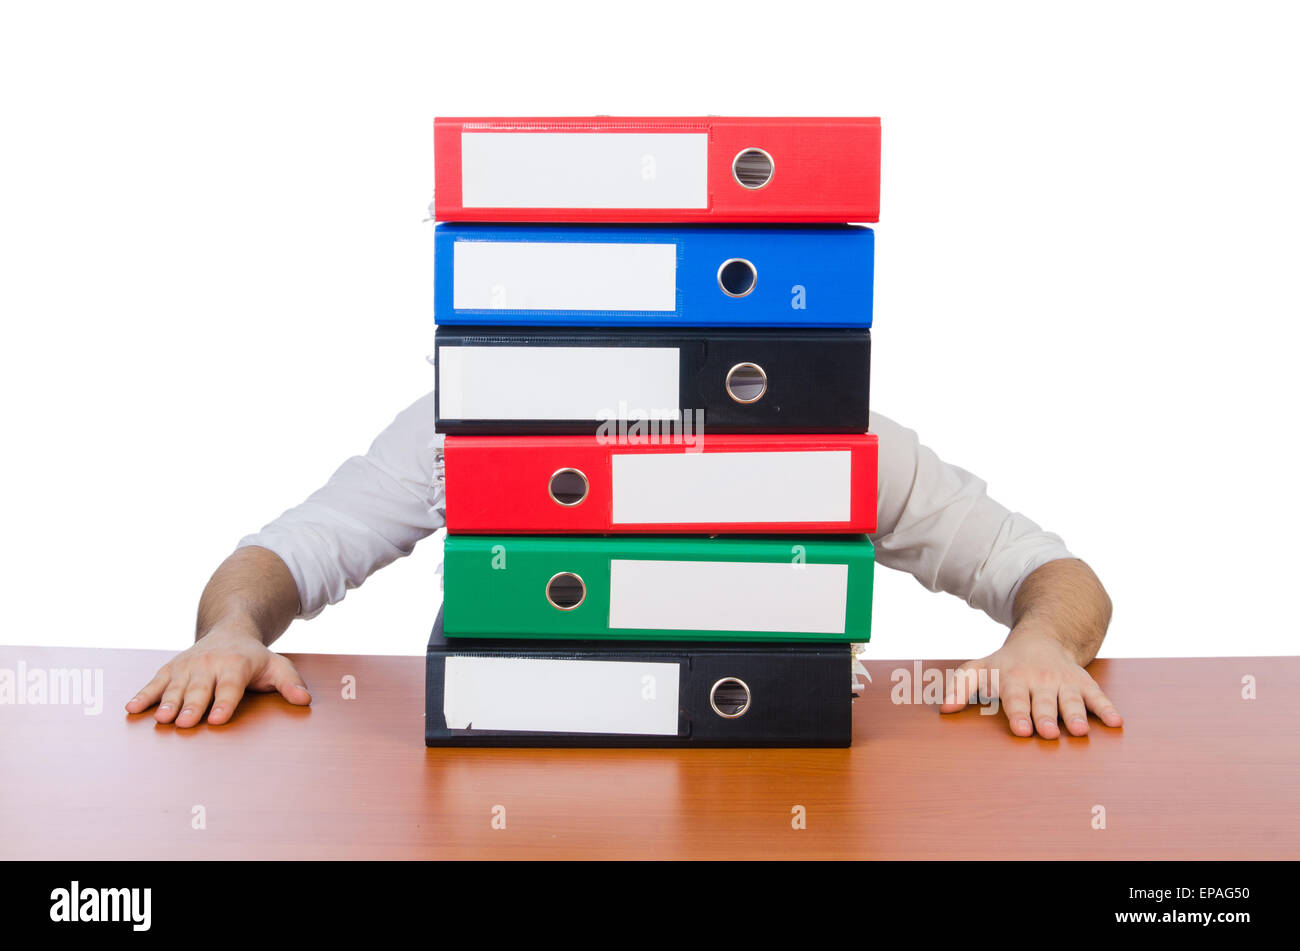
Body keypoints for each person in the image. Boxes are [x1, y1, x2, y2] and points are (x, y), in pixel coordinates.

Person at [125, 394, 1121, 739]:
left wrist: (1039, 641)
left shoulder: (838, 435)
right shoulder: (462, 427)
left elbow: (1048, 571)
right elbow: (287, 553)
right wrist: (230, 631)